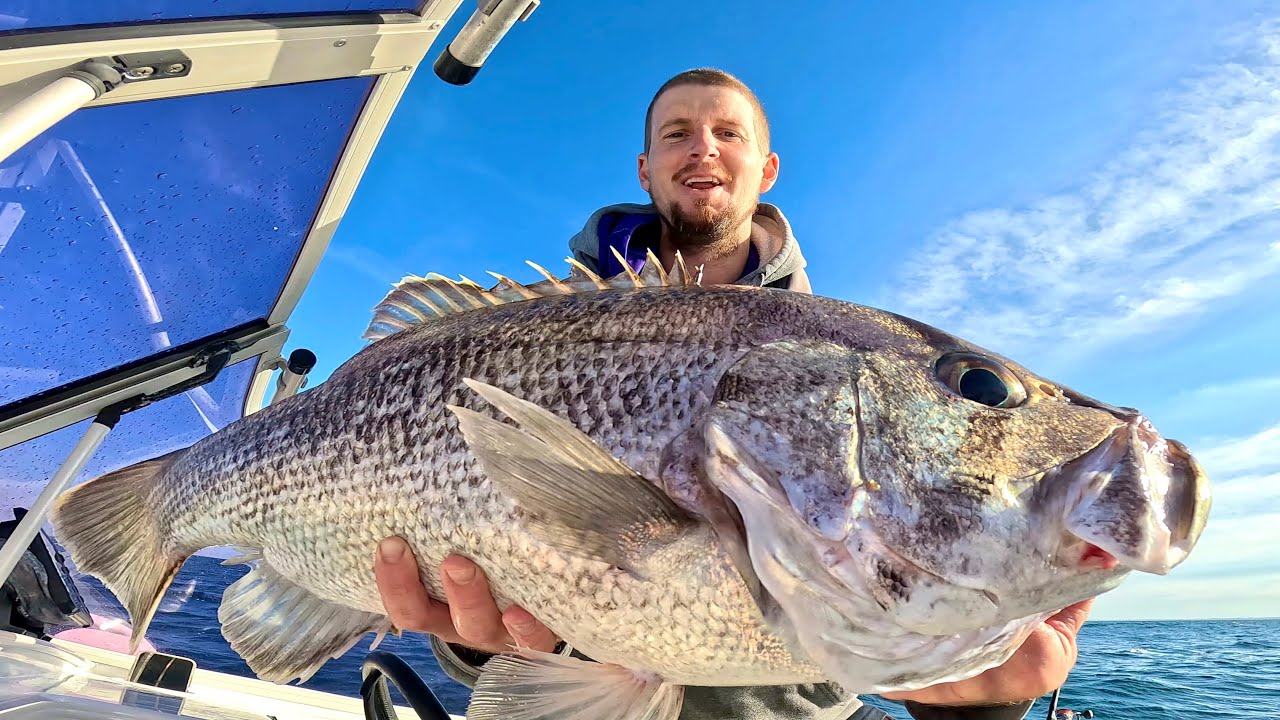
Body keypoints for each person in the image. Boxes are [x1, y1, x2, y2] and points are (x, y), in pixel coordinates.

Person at [374, 68, 1093, 719]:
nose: (702, 149)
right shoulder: (527, 333)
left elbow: (893, 639)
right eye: (677, 134)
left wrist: (982, 698)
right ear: (646, 167)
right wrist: (476, 642)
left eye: (728, 133)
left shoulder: (850, 353)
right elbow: (493, 615)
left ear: (767, 168)